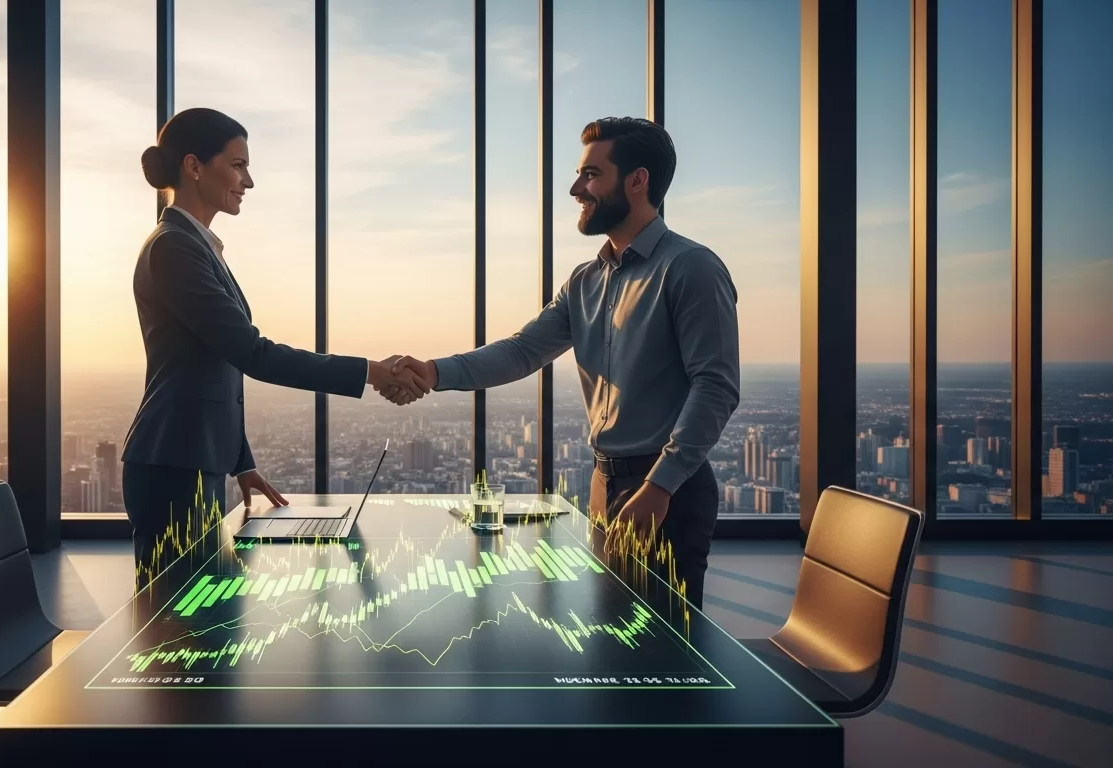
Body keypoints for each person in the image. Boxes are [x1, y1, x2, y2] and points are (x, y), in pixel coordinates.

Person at [388, 117, 739, 606]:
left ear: (637, 181)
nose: (576, 188)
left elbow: (716, 385)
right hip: (604, 483)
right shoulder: (584, 281)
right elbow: (522, 350)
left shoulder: (691, 268)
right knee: (612, 645)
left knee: (660, 665)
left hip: (665, 494)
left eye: (591, 175)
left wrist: (659, 487)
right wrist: (433, 371)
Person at [122, 107, 427, 588]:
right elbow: (252, 353)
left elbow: (212, 368)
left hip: (188, 459)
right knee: (173, 628)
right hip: (172, 464)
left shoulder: (195, 246)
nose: (249, 180)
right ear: (194, 166)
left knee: (195, 619)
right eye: (238, 164)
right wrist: (370, 370)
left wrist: (241, 462)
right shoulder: (173, 248)